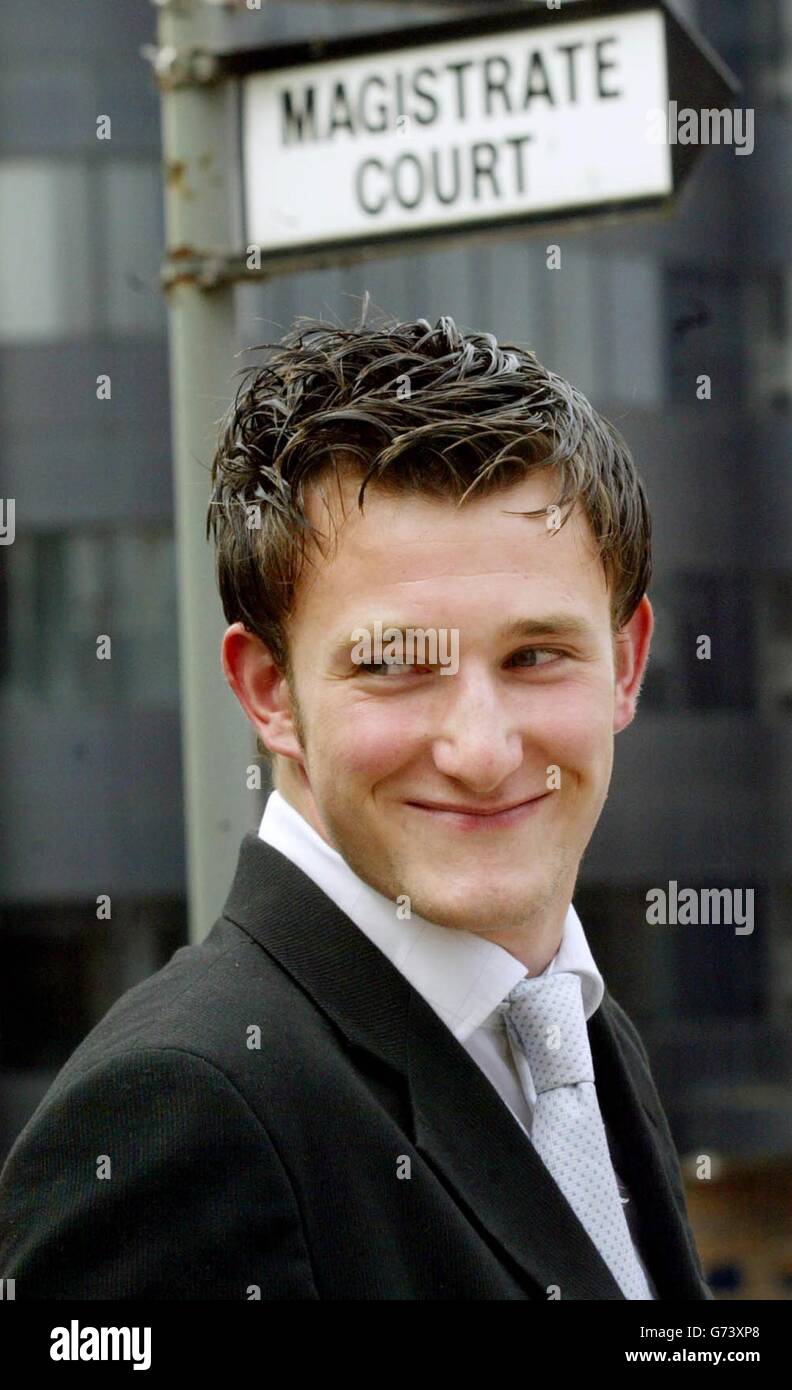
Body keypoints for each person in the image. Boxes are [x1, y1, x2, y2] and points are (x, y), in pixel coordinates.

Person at [0, 307, 712, 1300]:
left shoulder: (571, 1028)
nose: (481, 749)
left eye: (535, 655)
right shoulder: (181, 1119)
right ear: (269, 692)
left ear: (626, 665)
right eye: (394, 665)